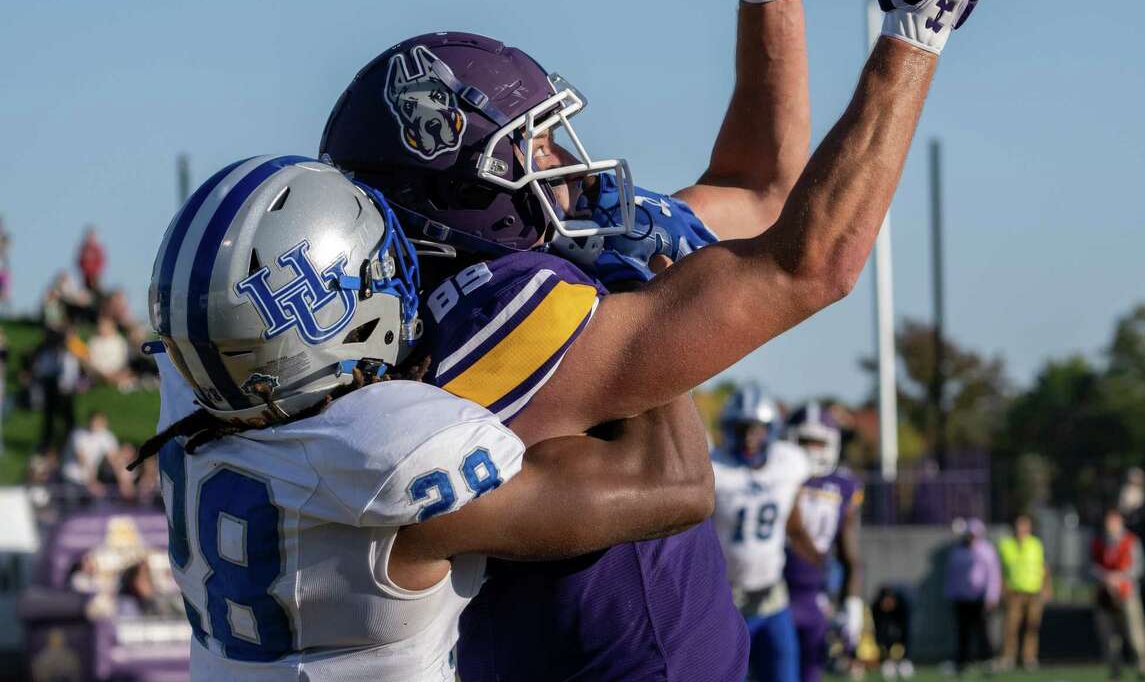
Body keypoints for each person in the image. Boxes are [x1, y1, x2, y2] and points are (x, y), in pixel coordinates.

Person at [320, 0, 1034, 678]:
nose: (559, 161)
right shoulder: (494, 317)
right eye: (529, 147)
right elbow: (814, 263)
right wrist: (919, 32)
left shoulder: (504, 276)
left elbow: (760, 185)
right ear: (451, 195)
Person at [138, 156, 714, 680]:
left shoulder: (193, 408)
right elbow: (677, 483)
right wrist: (629, 282)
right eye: (381, 263)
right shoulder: (384, 453)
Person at [712, 384, 817, 682]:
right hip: (727, 601)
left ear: (771, 430)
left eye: (756, 429)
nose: (748, 438)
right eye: (741, 428)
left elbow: (796, 523)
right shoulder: (714, 469)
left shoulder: (790, 462)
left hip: (772, 598)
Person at [784, 403, 865, 682]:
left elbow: (849, 554)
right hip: (773, 593)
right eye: (805, 441)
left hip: (813, 595)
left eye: (819, 442)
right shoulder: (775, 475)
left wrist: (852, 605)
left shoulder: (844, 486)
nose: (812, 449)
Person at [1092, 506, 1145, 680]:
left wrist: (1120, 578)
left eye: (1114, 520)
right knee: (1109, 637)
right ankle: (1115, 670)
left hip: (1127, 594)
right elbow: (1091, 567)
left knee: (1135, 634)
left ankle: (1144, 667)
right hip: (1105, 596)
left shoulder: (1131, 541)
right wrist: (1106, 578)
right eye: (1108, 521)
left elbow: (1138, 567)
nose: (1110, 524)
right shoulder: (1099, 541)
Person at [944, 517, 1001, 675]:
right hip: (962, 598)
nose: (971, 537)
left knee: (982, 631)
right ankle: (963, 661)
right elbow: (952, 575)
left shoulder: (986, 550)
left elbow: (993, 575)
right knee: (963, 632)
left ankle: (987, 660)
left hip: (980, 598)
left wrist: (992, 596)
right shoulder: (958, 551)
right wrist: (951, 593)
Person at [997, 512, 1051, 670]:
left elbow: (1043, 567)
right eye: (1019, 525)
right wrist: (1001, 589)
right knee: (1010, 627)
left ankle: (1029, 658)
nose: (1022, 528)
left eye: (1025, 525)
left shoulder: (1036, 544)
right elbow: (1000, 570)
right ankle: (1008, 657)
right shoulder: (1005, 545)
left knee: (1032, 627)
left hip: (1034, 591)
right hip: (1014, 592)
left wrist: (1047, 587)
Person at [63, 409, 134, 498]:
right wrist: (92, 482)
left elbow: (115, 461)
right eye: (94, 422)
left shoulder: (106, 436)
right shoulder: (78, 435)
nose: (95, 425)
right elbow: (82, 460)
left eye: (99, 422)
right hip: (72, 478)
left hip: (90, 478)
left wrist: (124, 482)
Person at [32, 327, 81, 452]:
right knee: (50, 417)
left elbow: (69, 372)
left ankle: (68, 442)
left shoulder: (67, 355)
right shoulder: (46, 352)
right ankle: (47, 443)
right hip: (51, 387)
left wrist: (64, 386)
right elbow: (42, 369)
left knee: (67, 418)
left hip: (64, 391)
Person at [872, 586, 913, 680]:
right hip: (885, 624)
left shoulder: (903, 605)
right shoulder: (876, 607)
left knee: (904, 635)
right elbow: (878, 631)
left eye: (889, 602)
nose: (887, 605)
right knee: (884, 636)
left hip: (901, 621)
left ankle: (905, 661)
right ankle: (887, 662)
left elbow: (906, 629)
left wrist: (904, 654)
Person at [85, 315, 135, 389]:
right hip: (99, 372)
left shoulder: (120, 341)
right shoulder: (93, 341)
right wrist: (103, 372)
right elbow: (91, 360)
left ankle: (114, 380)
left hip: (117, 370)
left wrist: (114, 371)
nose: (103, 328)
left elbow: (123, 359)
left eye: (106, 326)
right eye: (101, 326)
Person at [77, 226, 106, 296]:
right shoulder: (84, 248)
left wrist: (95, 272)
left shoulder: (97, 248)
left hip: (96, 276)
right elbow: (79, 261)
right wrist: (86, 271)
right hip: (86, 276)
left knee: (97, 292)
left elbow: (101, 262)